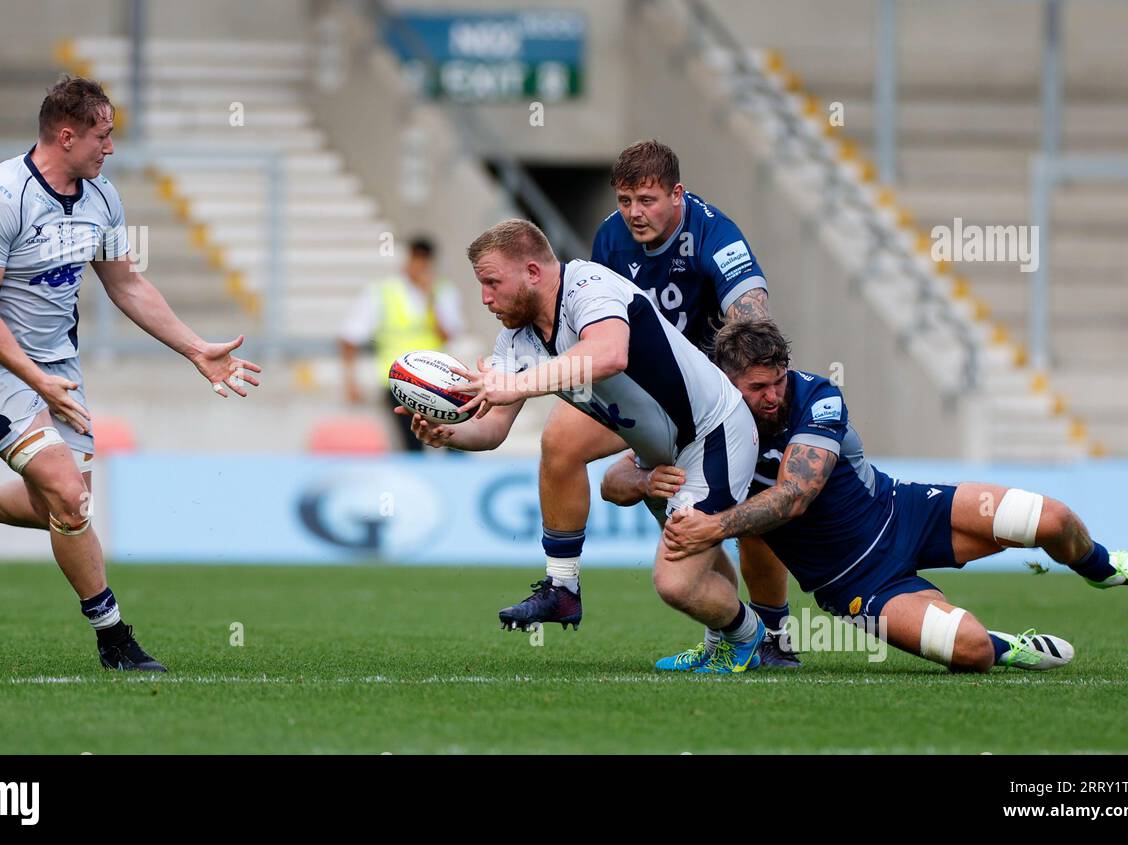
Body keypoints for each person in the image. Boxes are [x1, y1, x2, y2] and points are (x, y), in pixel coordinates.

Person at [0, 76, 262, 672]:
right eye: (104, 136)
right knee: (70, 498)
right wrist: (36, 380)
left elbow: (125, 282)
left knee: (66, 506)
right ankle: (114, 639)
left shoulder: (101, 198)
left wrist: (193, 349)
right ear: (67, 135)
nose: (111, 148)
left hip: (56, 366)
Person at [631, 319, 1128, 672]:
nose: (774, 395)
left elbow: (795, 496)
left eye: (778, 379)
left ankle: (1105, 567)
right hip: (853, 583)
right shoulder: (701, 421)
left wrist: (716, 525)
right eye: (758, 388)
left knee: (1053, 518)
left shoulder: (816, 396)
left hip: (908, 513)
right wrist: (641, 479)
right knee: (968, 650)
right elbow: (615, 476)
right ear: (726, 383)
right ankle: (1007, 644)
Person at [401, 219, 767, 673]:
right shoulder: (517, 339)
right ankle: (710, 637)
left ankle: (752, 635)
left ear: (533, 272)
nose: (485, 298)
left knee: (675, 584)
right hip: (661, 452)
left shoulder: (588, 285)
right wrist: (447, 433)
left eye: (492, 282)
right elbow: (493, 428)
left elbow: (610, 353)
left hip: (714, 435)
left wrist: (519, 385)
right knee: (696, 560)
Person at [496, 140, 799, 666]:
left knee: (751, 518)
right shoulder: (611, 236)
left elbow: (753, 325)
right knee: (559, 441)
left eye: (648, 200)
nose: (634, 213)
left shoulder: (716, 236)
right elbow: (596, 316)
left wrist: (747, 396)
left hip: (706, 399)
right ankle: (563, 585)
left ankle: (772, 636)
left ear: (677, 195)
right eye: (625, 200)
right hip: (634, 386)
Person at [339, 236, 464, 452]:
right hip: (398, 382)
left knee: (453, 441)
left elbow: (447, 336)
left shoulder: (442, 291)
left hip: (436, 382)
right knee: (412, 443)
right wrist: (351, 381)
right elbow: (350, 335)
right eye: (416, 259)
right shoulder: (382, 292)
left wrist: (431, 302)